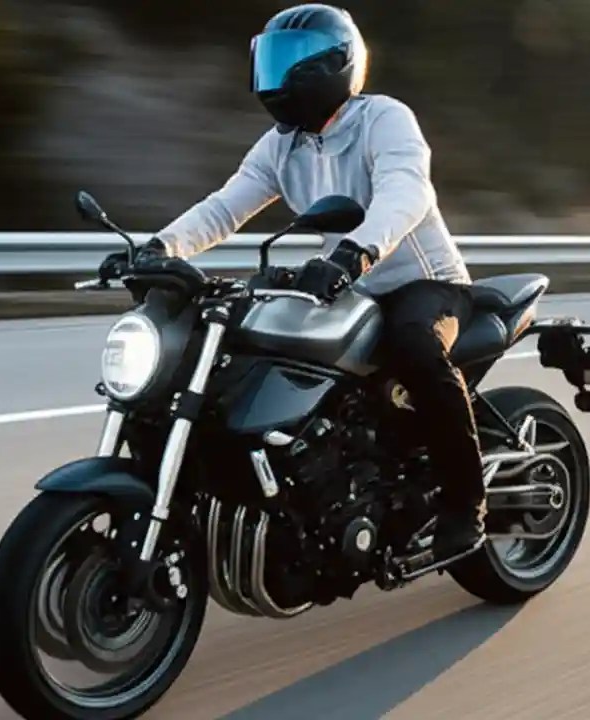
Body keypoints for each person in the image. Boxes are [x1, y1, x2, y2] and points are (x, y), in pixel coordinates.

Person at [100, 3, 485, 561]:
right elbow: (224, 208)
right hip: (351, 287)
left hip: (423, 283)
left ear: (337, 63)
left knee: (415, 348)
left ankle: (464, 505)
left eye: (296, 61)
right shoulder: (281, 144)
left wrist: (354, 254)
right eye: (274, 60)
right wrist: (159, 249)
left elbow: (407, 191)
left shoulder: (384, 118)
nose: (281, 75)